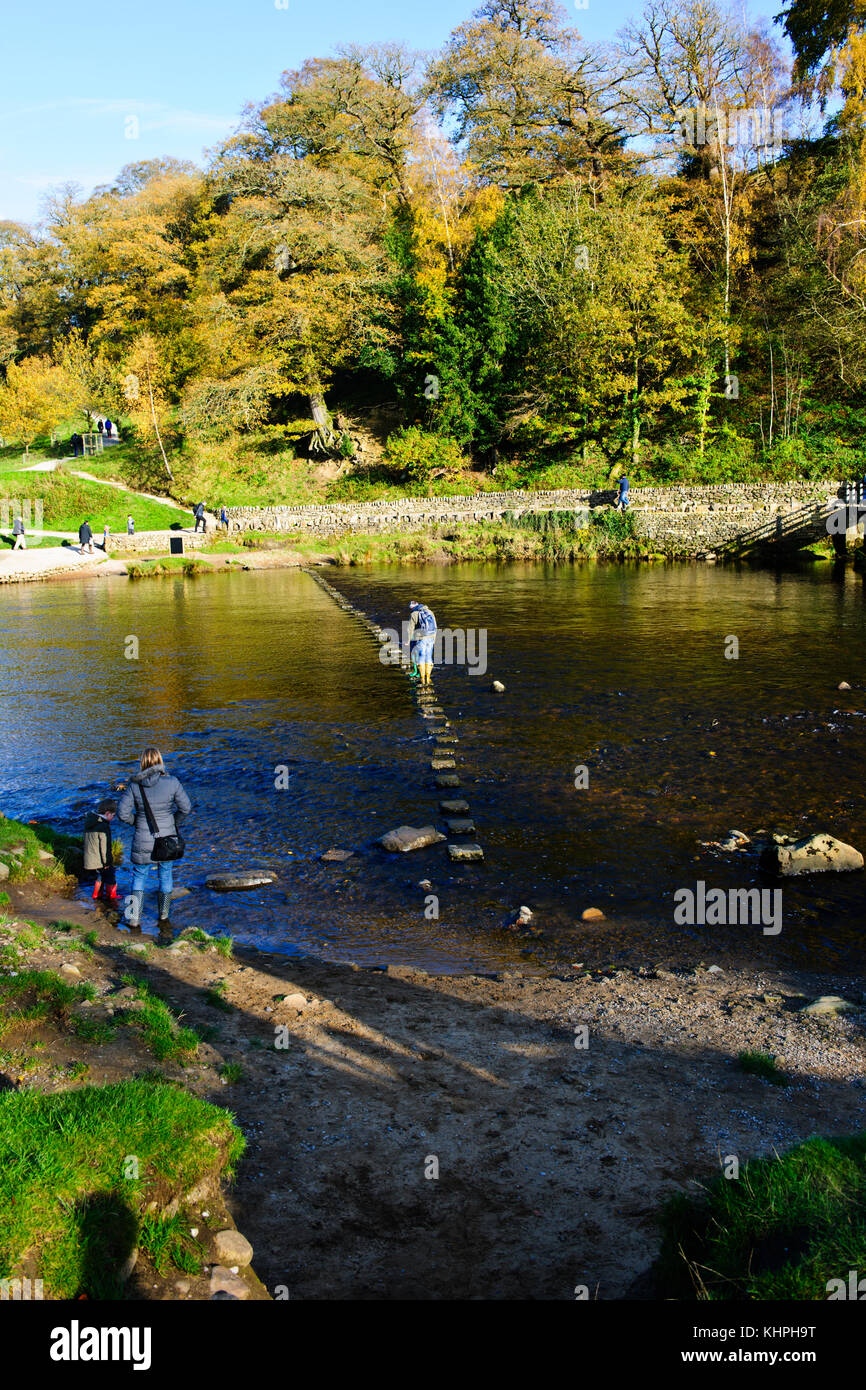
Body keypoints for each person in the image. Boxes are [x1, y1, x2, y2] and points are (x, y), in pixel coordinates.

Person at [117, 747, 191, 930]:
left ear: (142, 763)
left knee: (139, 876)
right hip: (167, 839)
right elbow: (186, 808)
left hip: (142, 837)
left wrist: (137, 822)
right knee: (165, 874)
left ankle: (134, 918)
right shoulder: (172, 782)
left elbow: (122, 814)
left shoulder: (135, 785)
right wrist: (173, 824)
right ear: (160, 762)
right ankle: (164, 916)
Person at [83, 798, 119, 902]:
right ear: (107, 813)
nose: (113, 818)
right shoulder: (103, 826)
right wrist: (107, 862)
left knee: (100, 876)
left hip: (90, 859)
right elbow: (105, 847)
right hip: (99, 859)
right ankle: (112, 896)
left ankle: (96, 895)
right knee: (111, 876)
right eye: (113, 815)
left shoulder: (90, 820)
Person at [408, 599, 437, 687]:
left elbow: (410, 629)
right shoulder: (429, 611)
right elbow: (435, 626)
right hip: (431, 637)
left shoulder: (414, 614)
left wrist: (408, 640)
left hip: (422, 638)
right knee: (428, 657)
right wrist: (434, 639)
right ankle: (428, 678)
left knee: (421, 657)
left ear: (412, 607)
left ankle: (422, 679)